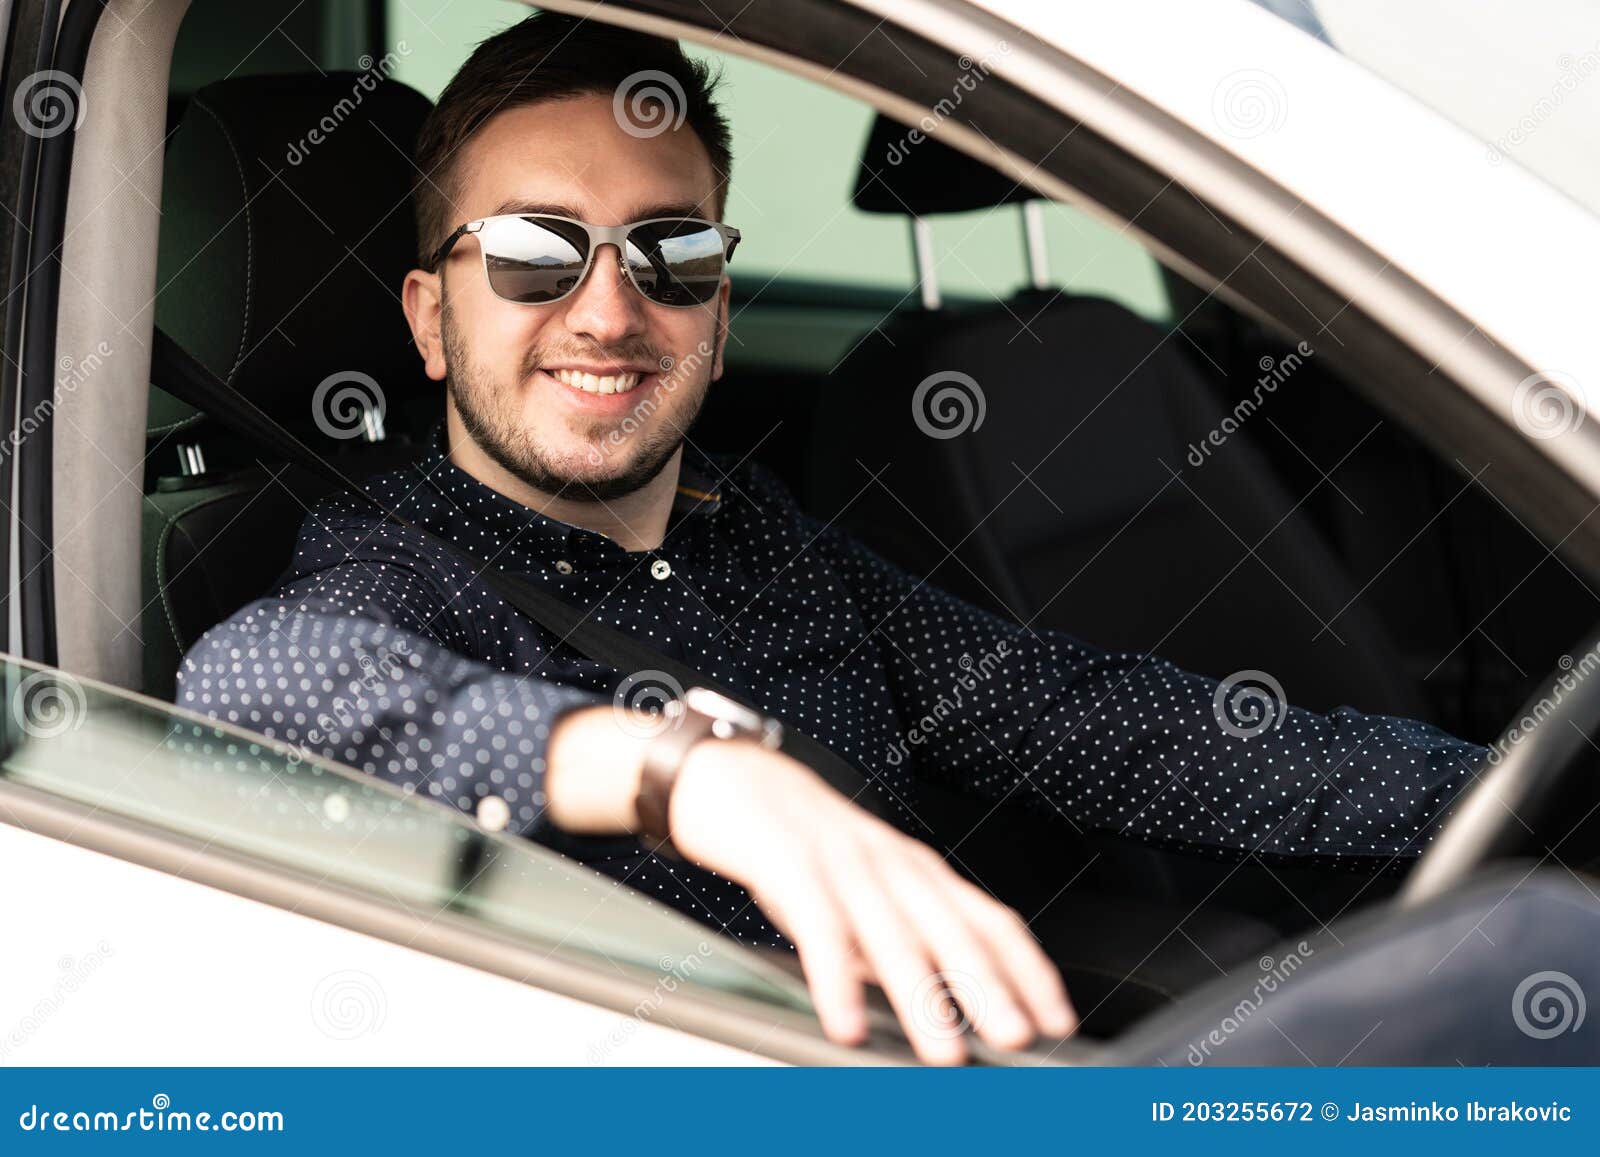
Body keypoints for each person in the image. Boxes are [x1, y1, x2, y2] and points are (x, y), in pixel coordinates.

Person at [176, 11, 1486, 1064]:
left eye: (670, 252)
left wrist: (1486, 790)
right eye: (534, 250)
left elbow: (1088, 722)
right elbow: (251, 681)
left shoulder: (755, 533)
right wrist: (695, 779)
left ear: (719, 316)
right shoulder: (392, 566)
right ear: (428, 317)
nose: (609, 312)